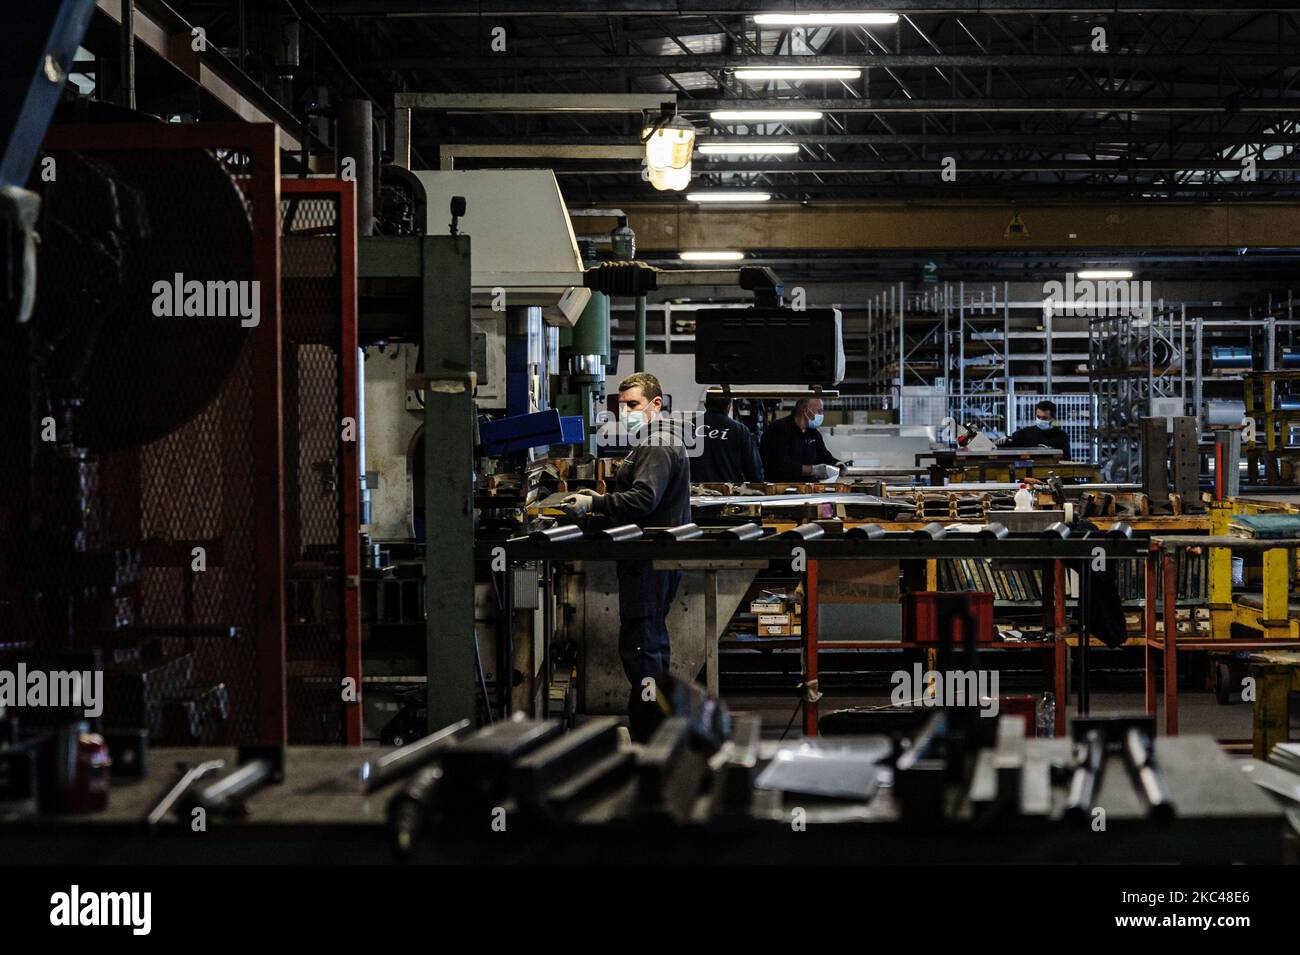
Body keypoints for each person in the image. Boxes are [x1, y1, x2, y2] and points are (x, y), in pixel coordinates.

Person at [559, 372, 691, 741]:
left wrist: (594, 502)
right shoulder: (651, 442)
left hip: (649, 560)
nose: (627, 412)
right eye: (622, 407)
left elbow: (643, 500)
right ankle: (656, 731)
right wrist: (596, 508)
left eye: (633, 404)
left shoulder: (657, 444)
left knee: (642, 651)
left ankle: (651, 737)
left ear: (656, 404)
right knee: (649, 646)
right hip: (652, 559)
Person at [759, 397, 840, 482]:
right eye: (819, 411)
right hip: (780, 488)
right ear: (805, 410)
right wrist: (812, 470)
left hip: (807, 488)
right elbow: (780, 464)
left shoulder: (814, 433)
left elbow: (824, 456)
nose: (821, 415)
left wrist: (837, 464)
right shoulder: (778, 429)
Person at [689, 392, 764, 484]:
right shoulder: (740, 430)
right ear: (729, 406)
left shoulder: (689, 427)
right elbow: (753, 469)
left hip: (695, 492)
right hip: (729, 492)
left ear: (705, 404)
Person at [1000, 399, 1072, 459]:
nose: (1040, 420)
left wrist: (1050, 451)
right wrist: (1006, 440)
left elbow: (1067, 458)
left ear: (1053, 418)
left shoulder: (1061, 436)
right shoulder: (1026, 433)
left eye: (1044, 418)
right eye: (1038, 417)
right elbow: (1011, 441)